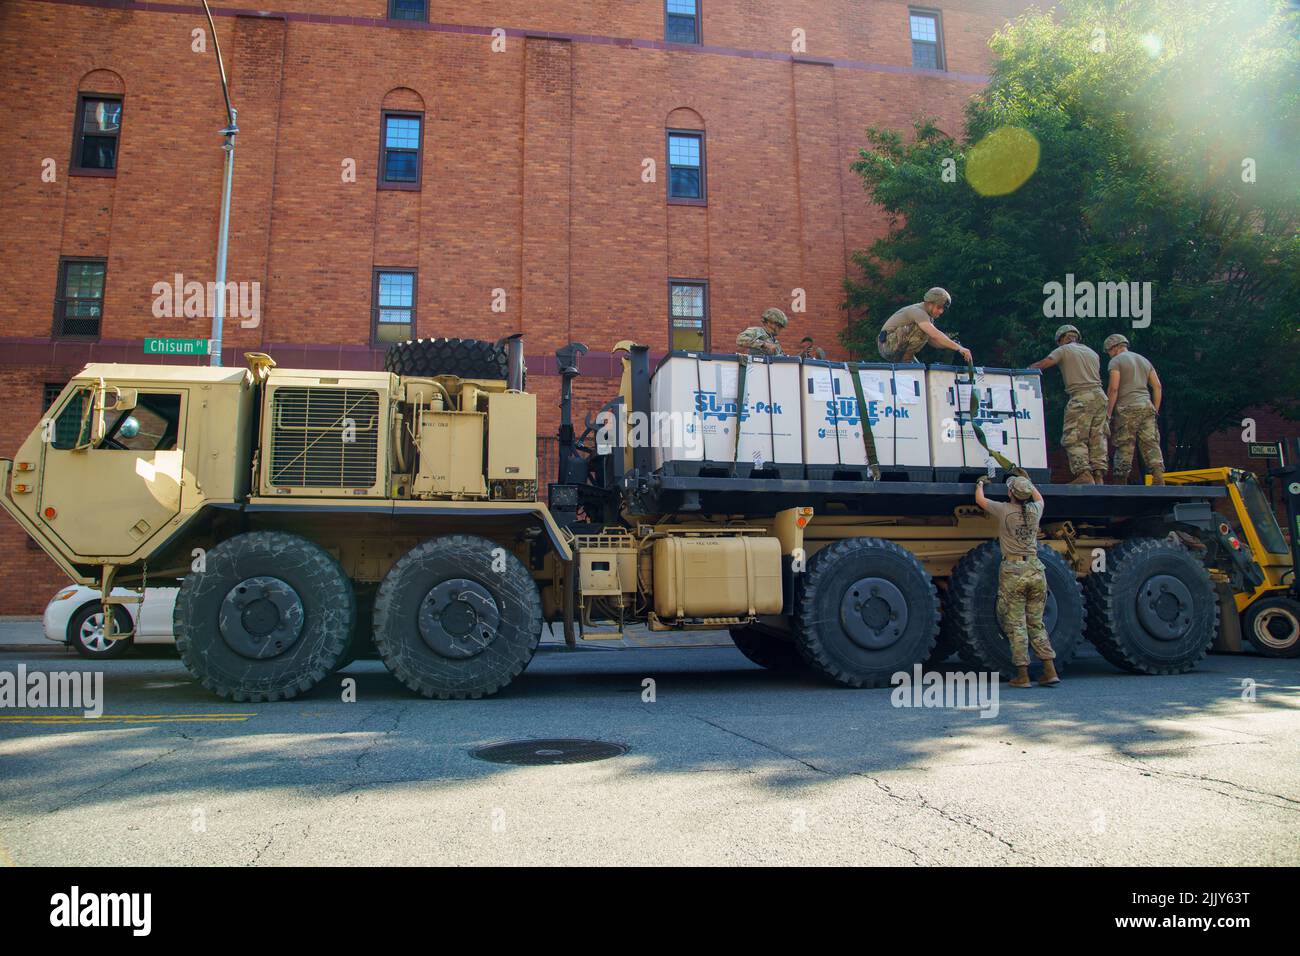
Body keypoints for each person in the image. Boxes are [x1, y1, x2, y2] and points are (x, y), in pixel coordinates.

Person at [975, 474, 1061, 687]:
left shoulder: (1004, 509)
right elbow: (1040, 498)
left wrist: (979, 484)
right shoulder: (1035, 510)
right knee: (1036, 623)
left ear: (1010, 493)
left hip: (1013, 571)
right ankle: (1050, 670)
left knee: (1016, 624)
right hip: (1035, 569)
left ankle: (1022, 675)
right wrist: (1028, 482)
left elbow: (980, 500)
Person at [1029, 325, 1108, 484]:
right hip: (1100, 396)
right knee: (1097, 436)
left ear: (1062, 339)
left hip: (1081, 396)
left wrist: (1027, 370)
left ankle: (1084, 474)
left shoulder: (1064, 349)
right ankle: (1098, 476)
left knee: (1073, 437)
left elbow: (1045, 363)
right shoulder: (1092, 353)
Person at [1104, 333, 1165, 486]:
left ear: (1115, 347)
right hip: (1147, 406)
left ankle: (1120, 481)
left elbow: (1113, 389)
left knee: (1125, 444)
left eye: (1109, 351)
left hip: (1127, 408)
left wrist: (1108, 413)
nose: (1109, 355)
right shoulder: (1144, 360)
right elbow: (1157, 386)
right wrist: (1155, 409)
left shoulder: (1116, 361)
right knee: (1150, 443)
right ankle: (1158, 477)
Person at [877, 287, 971, 364]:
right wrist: (959, 348)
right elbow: (935, 334)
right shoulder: (918, 312)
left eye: (943, 309)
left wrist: (951, 345)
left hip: (894, 345)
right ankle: (906, 362)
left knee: (920, 370)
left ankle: (907, 363)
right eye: (939, 307)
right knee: (922, 330)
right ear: (929, 303)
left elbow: (932, 341)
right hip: (887, 344)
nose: (941, 311)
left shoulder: (927, 318)